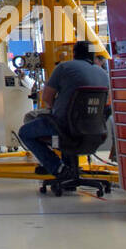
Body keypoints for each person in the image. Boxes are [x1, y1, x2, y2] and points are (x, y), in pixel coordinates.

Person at [18, 41, 109, 180]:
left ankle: (58, 168)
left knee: (25, 132)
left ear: (74, 53)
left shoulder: (64, 67)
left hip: (64, 127)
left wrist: (56, 109)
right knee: (65, 126)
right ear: (94, 55)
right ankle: (69, 167)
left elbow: (47, 98)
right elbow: (107, 105)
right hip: (94, 130)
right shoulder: (103, 75)